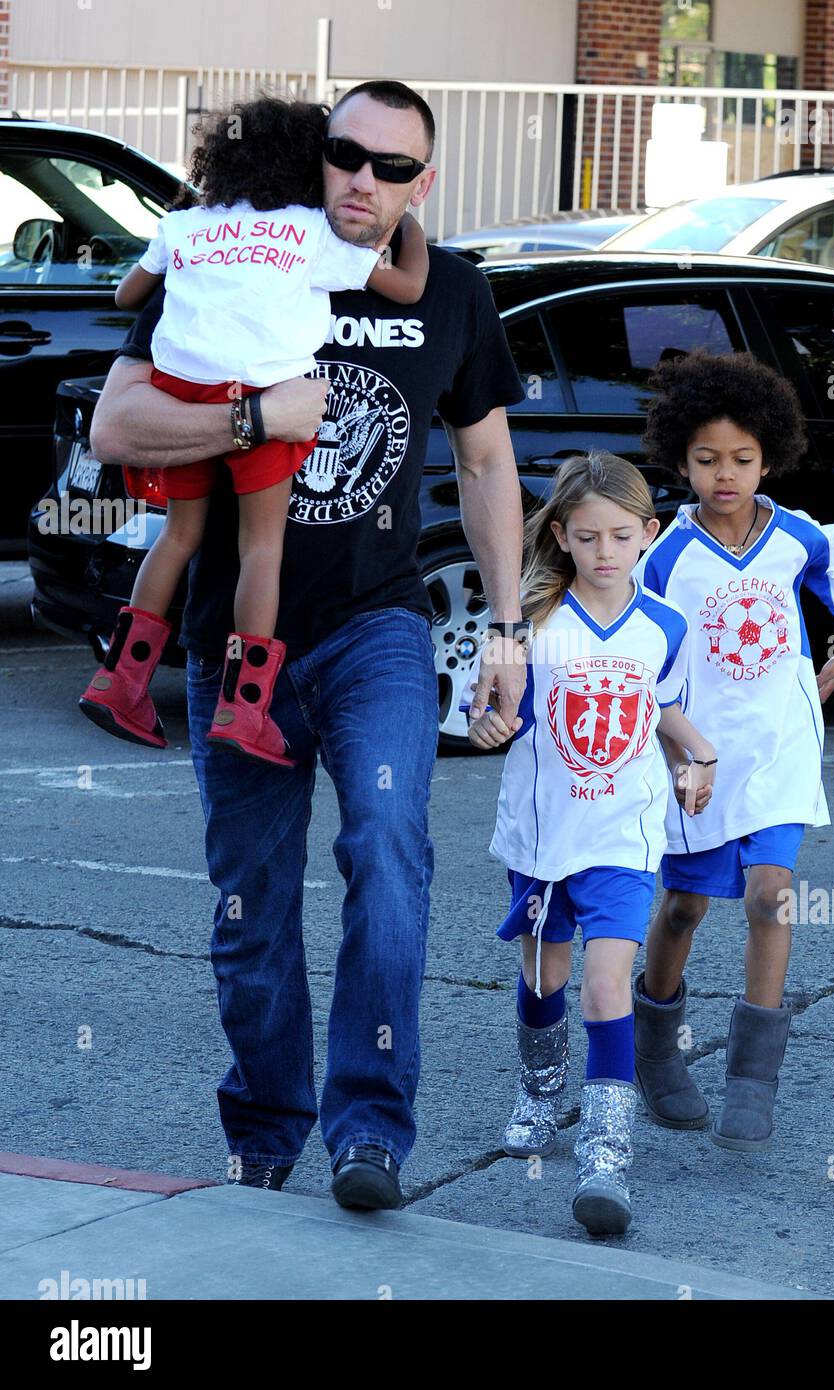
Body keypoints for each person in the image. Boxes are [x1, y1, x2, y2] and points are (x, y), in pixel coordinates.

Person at [88, 80, 528, 1207]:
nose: (362, 180)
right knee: (252, 896)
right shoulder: (228, 249)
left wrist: (508, 626)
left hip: (377, 627)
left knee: (387, 849)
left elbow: (485, 462)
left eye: (392, 167)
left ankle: (368, 1131)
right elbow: (117, 424)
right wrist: (252, 419)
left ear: (423, 183)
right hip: (235, 638)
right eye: (345, 153)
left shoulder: (451, 292)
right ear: (313, 153)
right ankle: (265, 1131)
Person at [79, 96, 429, 768]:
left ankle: (119, 682)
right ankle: (245, 709)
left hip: (182, 395)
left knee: (178, 537)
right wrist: (408, 224)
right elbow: (408, 288)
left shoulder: (185, 223)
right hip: (267, 402)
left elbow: (127, 296)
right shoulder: (310, 232)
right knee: (261, 549)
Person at [631, 350, 834, 1149]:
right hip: (699, 754)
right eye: (707, 459)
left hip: (778, 748)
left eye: (742, 459)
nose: (725, 475)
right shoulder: (666, 557)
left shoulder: (795, 536)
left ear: (768, 459)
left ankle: (751, 1080)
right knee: (684, 906)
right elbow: (643, 653)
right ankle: (654, 1048)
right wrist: (672, 748)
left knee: (771, 894)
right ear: (681, 462)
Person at [467, 451, 716, 1235]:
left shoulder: (666, 625)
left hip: (624, 837)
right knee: (545, 978)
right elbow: (490, 711)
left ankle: (606, 1157)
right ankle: (540, 1089)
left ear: (648, 533)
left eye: (618, 536)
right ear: (561, 537)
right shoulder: (530, 624)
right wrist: (487, 724)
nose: (604, 552)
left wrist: (697, 753)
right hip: (544, 838)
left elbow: (656, 704)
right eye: (586, 537)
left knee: (606, 989)